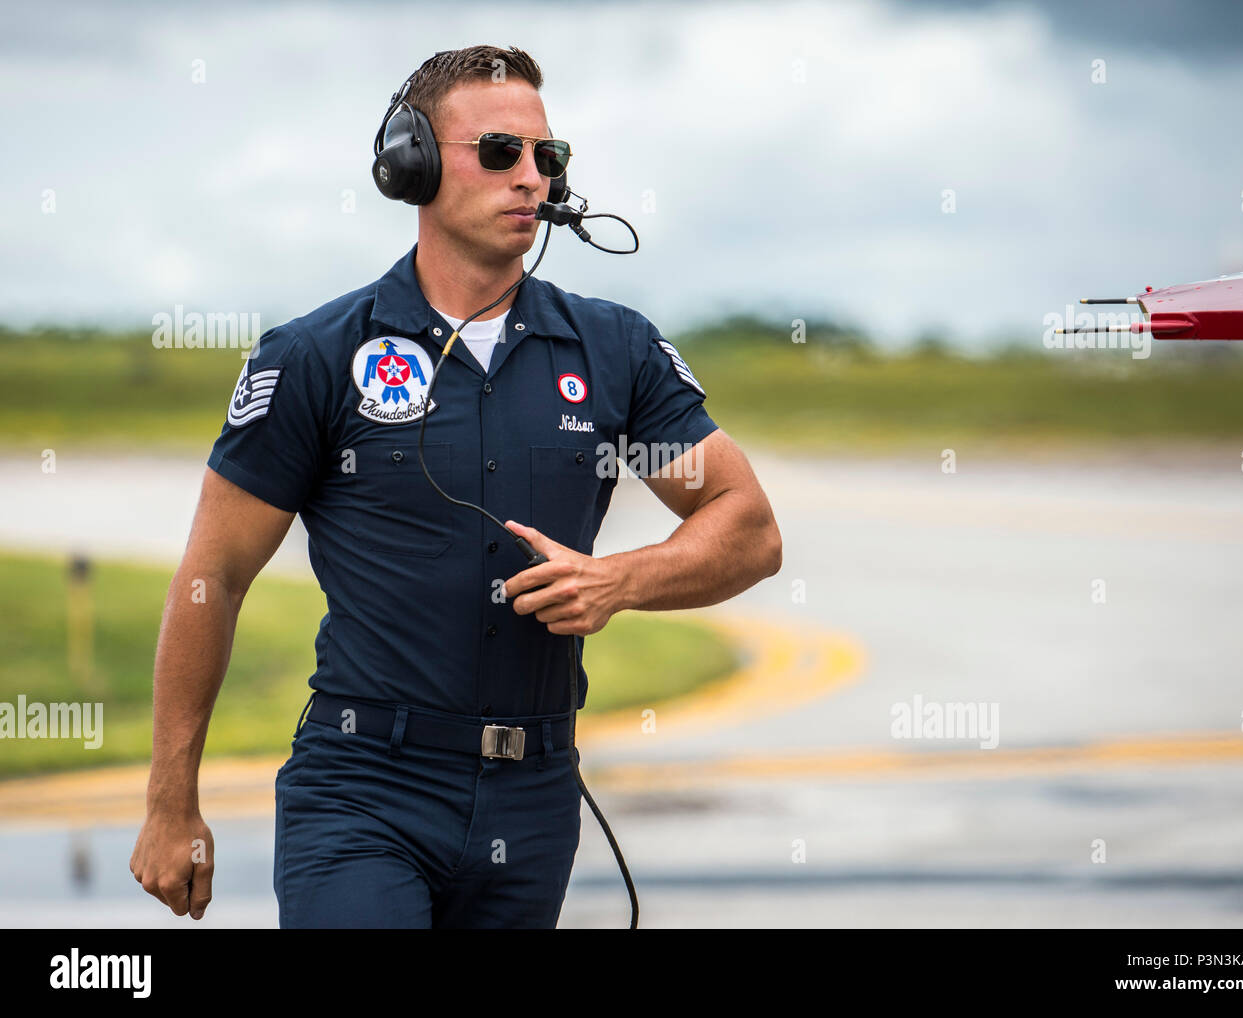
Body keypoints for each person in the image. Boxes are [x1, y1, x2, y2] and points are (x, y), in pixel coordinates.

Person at [129, 44, 782, 928]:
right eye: (500, 151)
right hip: (363, 790)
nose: (530, 177)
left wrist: (619, 581)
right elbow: (215, 575)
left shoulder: (614, 349)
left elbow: (746, 526)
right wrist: (172, 804)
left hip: (536, 796)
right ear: (414, 166)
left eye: (547, 158)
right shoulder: (316, 355)